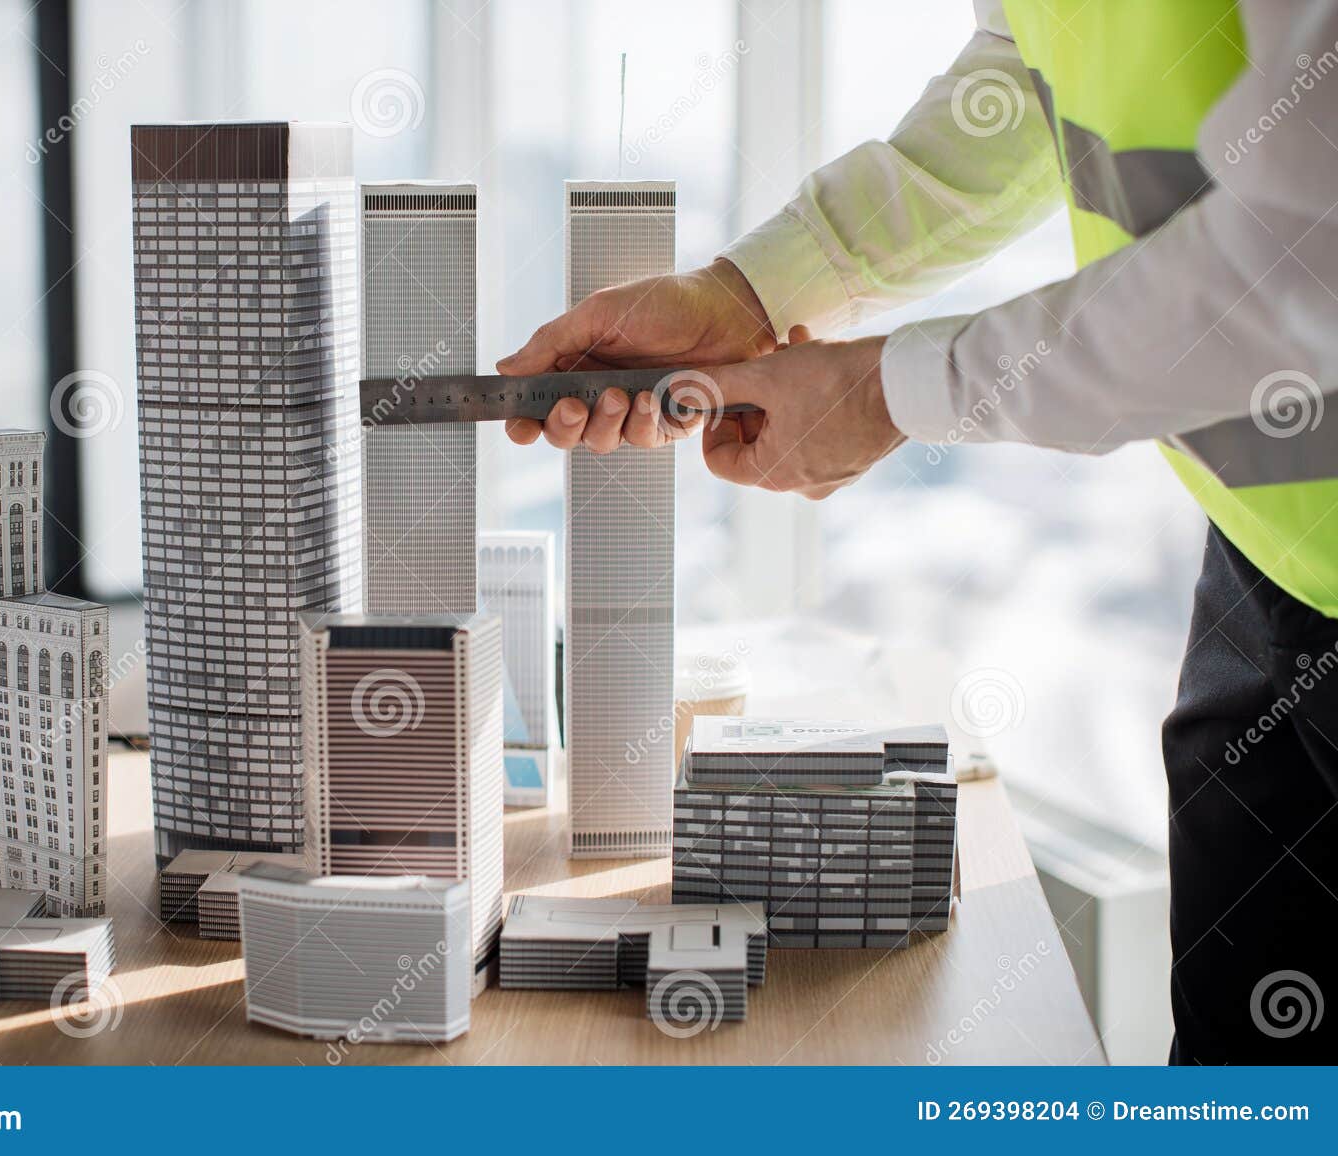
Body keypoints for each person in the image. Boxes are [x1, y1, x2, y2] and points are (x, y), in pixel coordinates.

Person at [501, 0, 1338, 1064]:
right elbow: (1026, 64)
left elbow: (1306, 245)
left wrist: (895, 389)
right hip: (1263, 557)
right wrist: (750, 291)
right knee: (1245, 1058)